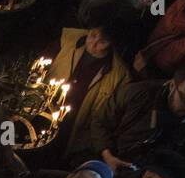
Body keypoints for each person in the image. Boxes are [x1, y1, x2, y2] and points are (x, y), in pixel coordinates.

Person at [92, 63, 185, 178]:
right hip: (109, 165)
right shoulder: (140, 93)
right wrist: (107, 155)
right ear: (172, 85)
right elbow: (100, 121)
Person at [48, 23, 131, 169]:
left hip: (72, 128)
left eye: (102, 42)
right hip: (43, 110)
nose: (93, 43)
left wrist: (105, 153)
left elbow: (102, 118)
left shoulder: (118, 76)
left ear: (112, 44)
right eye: (92, 35)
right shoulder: (68, 39)